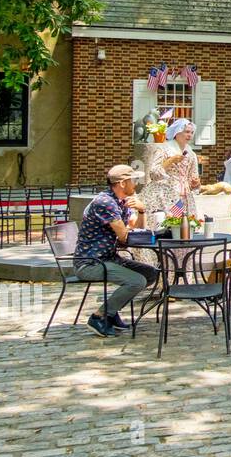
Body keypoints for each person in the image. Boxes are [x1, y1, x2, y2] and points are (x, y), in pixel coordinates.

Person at [73, 165, 157, 338]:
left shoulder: (121, 202)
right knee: (137, 281)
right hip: (90, 263)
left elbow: (138, 228)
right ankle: (99, 316)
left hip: (109, 258)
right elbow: (124, 237)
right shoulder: (106, 202)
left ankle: (112, 310)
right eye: (133, 180)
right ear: (121, 183)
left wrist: (142, 210)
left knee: (151, 274)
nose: (136, 184)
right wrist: (128, 230)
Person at [141, 117, 200, 221]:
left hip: (185, 198)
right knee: (171, 225)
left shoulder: (191, 154)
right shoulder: (164, 150)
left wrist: (195, 183)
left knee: (187, 226)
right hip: (167, 195)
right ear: (177, 133)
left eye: (191, 132)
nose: (189, 135)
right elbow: (153, 174)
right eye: (186, 132)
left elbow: (193, 179)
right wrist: (170, 161)